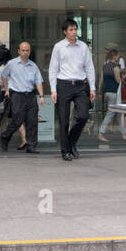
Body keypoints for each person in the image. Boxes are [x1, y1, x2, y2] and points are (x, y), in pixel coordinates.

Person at [49, 18, 96, 160]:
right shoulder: (59, 47)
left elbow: (89, 67)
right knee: (63, 120)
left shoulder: (83, 47)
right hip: (63, 85)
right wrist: (53, 90)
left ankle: (71, 142)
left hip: (80, 85)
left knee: (83, 116)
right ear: (65, 32)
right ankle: (65, 151)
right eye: (71, 30)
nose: (74, 32)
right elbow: (53, 69)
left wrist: (92, 87)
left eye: (75, 29)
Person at [0, 41, 44, 153]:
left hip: (30, 96)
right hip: (17, 96)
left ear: (30, 52)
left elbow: (38, 81)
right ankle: (5, 137)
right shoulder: (12, 64)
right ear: (18, 51)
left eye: (27, 50)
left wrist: (41, 96)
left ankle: (31, 146)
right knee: (17, 120)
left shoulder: (33, 66)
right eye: (23, 50)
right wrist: (7, 89)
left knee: (32, 121)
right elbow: (4, 76)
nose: (25, 52)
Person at [98, 48, 126, 145]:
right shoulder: (115, 67)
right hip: (114, 92)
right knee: (110, 113)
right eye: (117, 56)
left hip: (107, 92)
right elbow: (118, 80)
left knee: (119, 113)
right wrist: (125, 75)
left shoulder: (104, 66)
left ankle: (124, 133)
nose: (118, 57)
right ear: (114, 56)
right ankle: (101, 133)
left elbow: (101, 80)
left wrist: (99, 92)